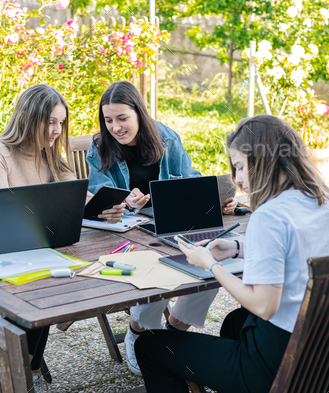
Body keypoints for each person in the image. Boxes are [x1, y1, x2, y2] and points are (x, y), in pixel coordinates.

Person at [134, 114, 329, 393]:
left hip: (275, 365)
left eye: (241, 167)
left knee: (150, 347)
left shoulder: (269, 216)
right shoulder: (323, 200)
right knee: (235, 323)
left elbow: (264, 306)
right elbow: (297, 247)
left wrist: (211, 266)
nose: (238, 179)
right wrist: (237, 248)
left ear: (264, 160)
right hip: (321, 347)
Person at [0, 84, 125, 393]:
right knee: (35, 283)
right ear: (29, 117)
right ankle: (18, 370)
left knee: (48, 285)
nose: (57, 130)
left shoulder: (51, 158)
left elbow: (81, 198)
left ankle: (27, 369)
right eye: (50, 122)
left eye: (61, 122)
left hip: (27, 238)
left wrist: (105, 209)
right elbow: (3, 208)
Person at [86, 80, 237, 376]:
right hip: (127, 231)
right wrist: (121, 203)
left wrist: (218, 201)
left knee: (215, 260)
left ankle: (174, 328)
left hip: (174, 222)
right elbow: (96, 194)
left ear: (139, 113)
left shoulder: (166, 138)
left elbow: (190, 178)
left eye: (122, 118)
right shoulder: (100, 146)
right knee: (156, 270)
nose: (115, 127)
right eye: (108, 120)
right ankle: (139, 332)